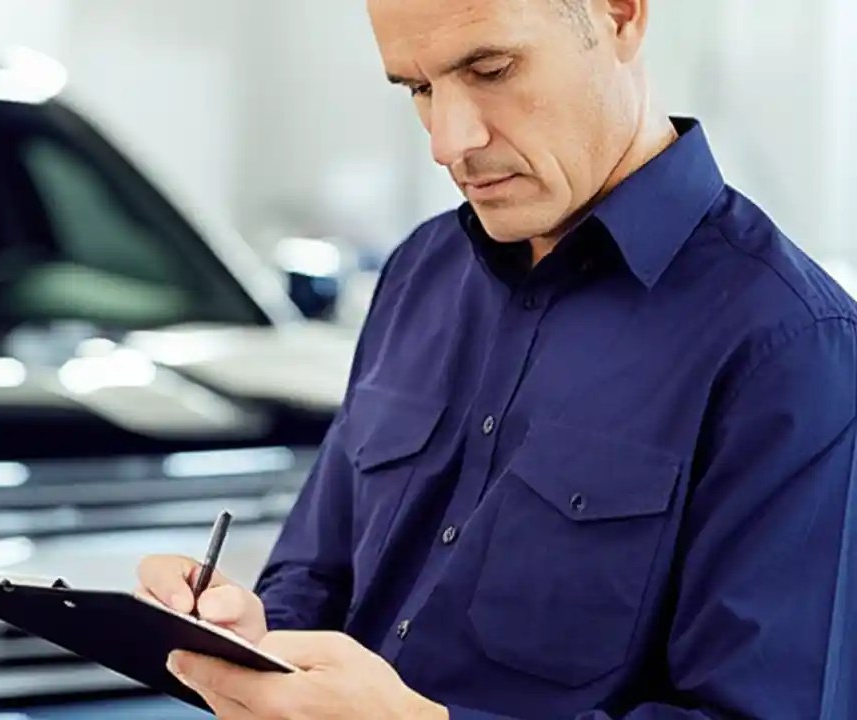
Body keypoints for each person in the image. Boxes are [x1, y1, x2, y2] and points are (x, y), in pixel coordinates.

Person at [137, 0, 857, 717]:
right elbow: (315, 577)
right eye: (419, 88)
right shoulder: (420, 270)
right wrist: (248, 639)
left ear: (620, 15)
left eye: (490, 69)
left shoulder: (793, 345)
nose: (447, 142)